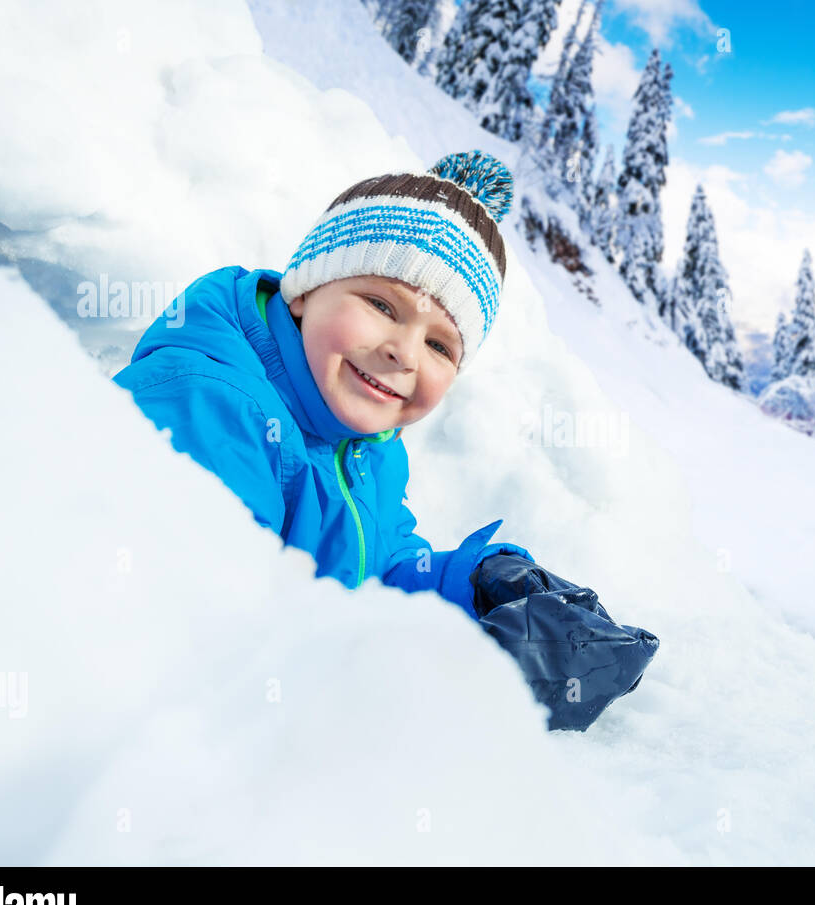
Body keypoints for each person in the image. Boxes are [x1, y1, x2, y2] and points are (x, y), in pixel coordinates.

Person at [112, 149, 534, 621]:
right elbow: (202, 635)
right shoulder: (213, 411)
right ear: (305, 291)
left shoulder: (369, 447)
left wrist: (476, 591)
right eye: (382, 306)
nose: (405, 354)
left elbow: (380, 568)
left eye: (440, 347)